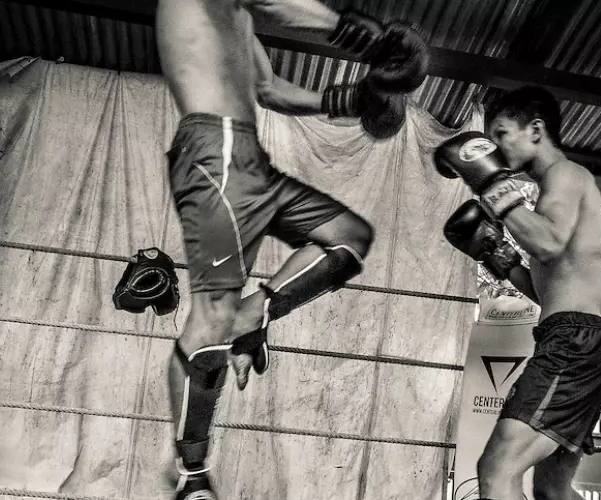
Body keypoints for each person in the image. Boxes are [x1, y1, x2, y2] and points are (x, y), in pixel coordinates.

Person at [154, 1, 428, 498]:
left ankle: (253, 314)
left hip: (252, 162)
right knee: (211, 316)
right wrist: (360, 35)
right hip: (212, 152)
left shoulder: (235, 20)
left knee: (350, 238)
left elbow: (270, 90)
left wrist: (350, 102)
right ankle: (190, 472)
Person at [435, 86, 601, 500]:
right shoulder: (552, 193)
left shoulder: (566, 175)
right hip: (572, 337)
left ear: (536, 130)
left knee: (497, 469)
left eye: (500, 134)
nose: (494, 148)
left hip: (572, 343)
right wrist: (499, 260)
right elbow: (546, 289)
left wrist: (495, 188)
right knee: (553, 490)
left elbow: (548, 243)